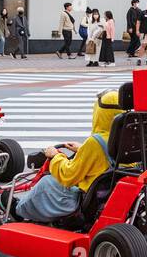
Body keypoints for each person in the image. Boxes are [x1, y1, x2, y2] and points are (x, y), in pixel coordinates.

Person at [10, 89, 121, 222]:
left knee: (47, 182)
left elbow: (68, 176)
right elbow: (109, 156)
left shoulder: (95, 143)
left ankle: (18, 210)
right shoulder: (128, 139)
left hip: (88, 201)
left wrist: (55, 156)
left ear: (100, 114)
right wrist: (82, 149)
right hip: (111, 193)